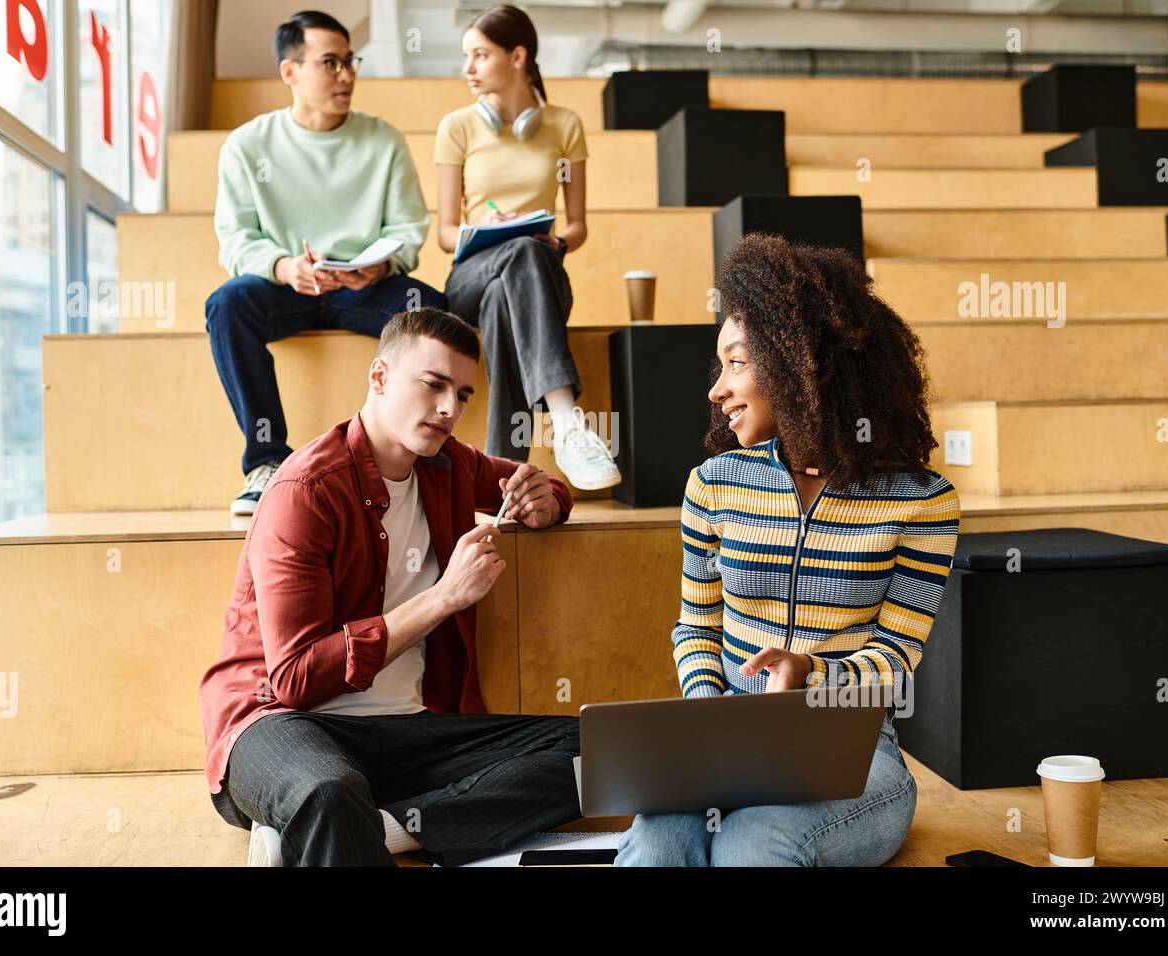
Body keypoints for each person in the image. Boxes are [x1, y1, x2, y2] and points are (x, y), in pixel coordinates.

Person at [614, 234, 962, 867]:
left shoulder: (921, 500)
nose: (716, 390)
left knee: (756, 841)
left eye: (736, 363)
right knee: (660, 841)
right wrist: (711, 723)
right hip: (723, 731)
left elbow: (896, 657)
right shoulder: (713, 484)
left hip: (855, 746)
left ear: (798, 364)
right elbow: (697, 625)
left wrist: (811, 676)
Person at [199, 307, 584, 867]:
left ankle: (380, 829)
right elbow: (294, 679)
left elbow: (540, 486)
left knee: (592, 752)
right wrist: (444, 597)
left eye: (464, 394)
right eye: (433, 385)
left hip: (409, 731)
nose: (450, 409)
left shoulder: (447, 464)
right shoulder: (304, 491)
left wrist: (546, 502)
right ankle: (333, 817)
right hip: (281, 725)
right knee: (327, 791)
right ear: (378, 377)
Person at [207, 10, 445, 515]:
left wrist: (381, 266)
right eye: (330, 62)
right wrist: (282, 266)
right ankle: (266, 462)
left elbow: (407, 229)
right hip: (287, 287)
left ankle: (413, 453)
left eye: (350, 61)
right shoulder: (248, 146)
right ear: (290, 71)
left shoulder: (383, 141)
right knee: (227, 305)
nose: (346, 74)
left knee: (431, 312)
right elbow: (235, 239)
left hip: (364, 286)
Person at [433, 4, 620, 491]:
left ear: (517, 56)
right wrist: (484, 225)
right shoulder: (457, 127)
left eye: (479, 55)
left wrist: (555, 239)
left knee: (512, 282)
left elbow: (576, 227)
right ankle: (566, 422)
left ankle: (501, 473)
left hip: (539, 271)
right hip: (471, 273)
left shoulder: (564, 126)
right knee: (512, 261)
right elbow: (446, 233)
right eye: (465, 57)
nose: (467, 69)